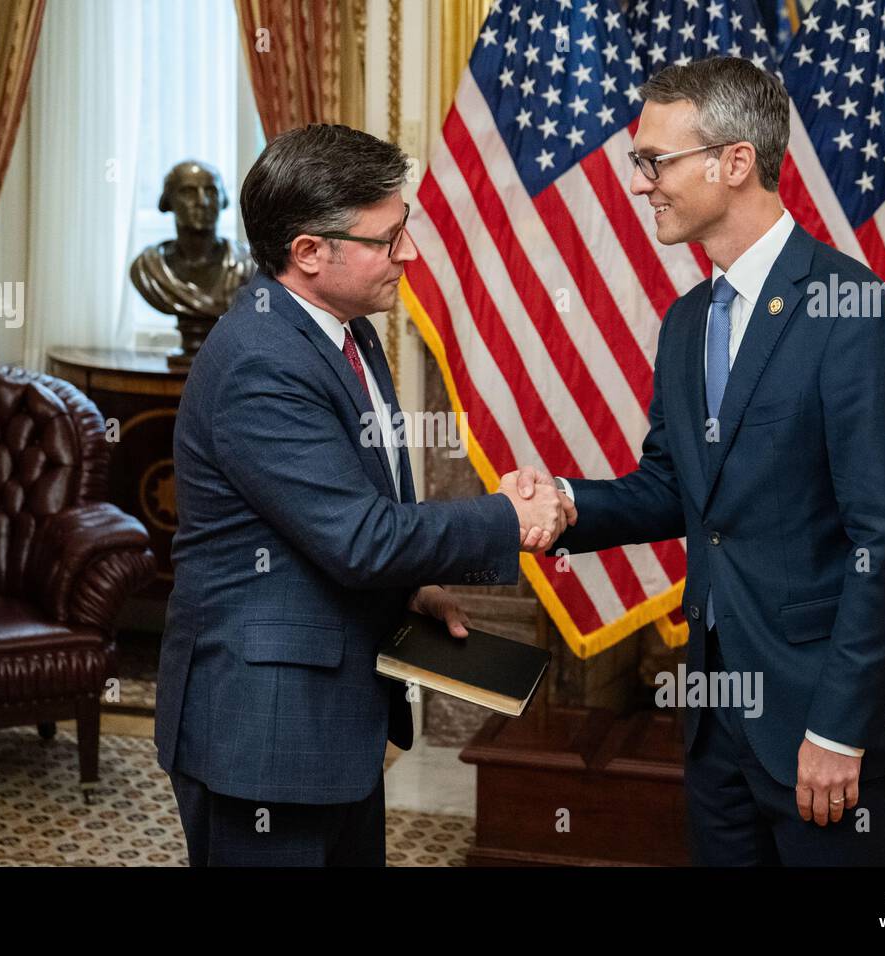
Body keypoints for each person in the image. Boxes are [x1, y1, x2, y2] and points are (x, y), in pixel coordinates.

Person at [510, 57, 885, 866]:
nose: (640, 182)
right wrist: (570, 503)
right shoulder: (689, 321)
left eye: (655, 161)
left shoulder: (858, 314)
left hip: (825, 723)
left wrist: (840, 730)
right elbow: (675, 487)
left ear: (734, 161)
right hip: (716, 720)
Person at [155, 123, 575, 866]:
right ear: (309, 252)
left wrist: (406, 590)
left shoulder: (344, 329)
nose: (408, 252)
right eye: (387, 239)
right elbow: (360, 537)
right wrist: (509, 518)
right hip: (265, 735)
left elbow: (333, 517)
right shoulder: (260, 362)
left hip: (333, 721)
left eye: (402, 226)